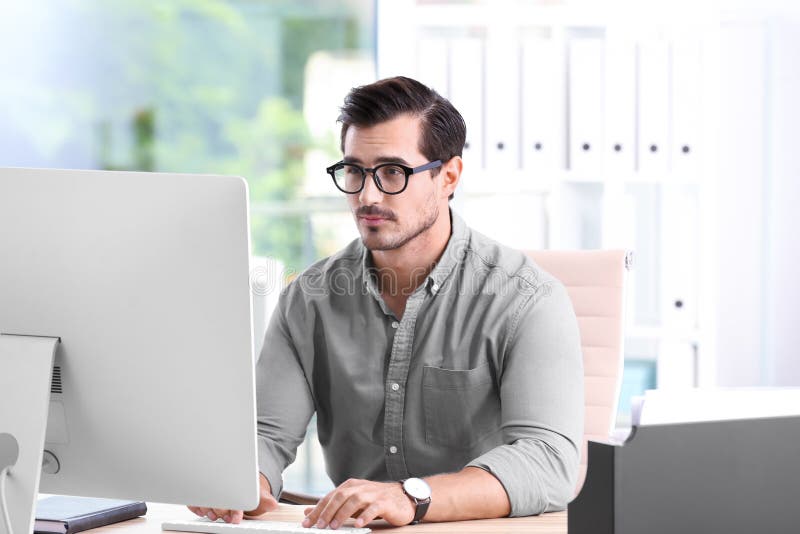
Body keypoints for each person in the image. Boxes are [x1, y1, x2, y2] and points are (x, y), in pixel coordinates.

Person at [189, 76, 583, 529]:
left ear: (448, 176)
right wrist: (248, 482)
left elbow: (549, 462)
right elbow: (266, 434)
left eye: (393, 171)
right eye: (354, 170)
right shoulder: (308, 298)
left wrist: (411, 497)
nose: (367, 195)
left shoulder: (527, 300)